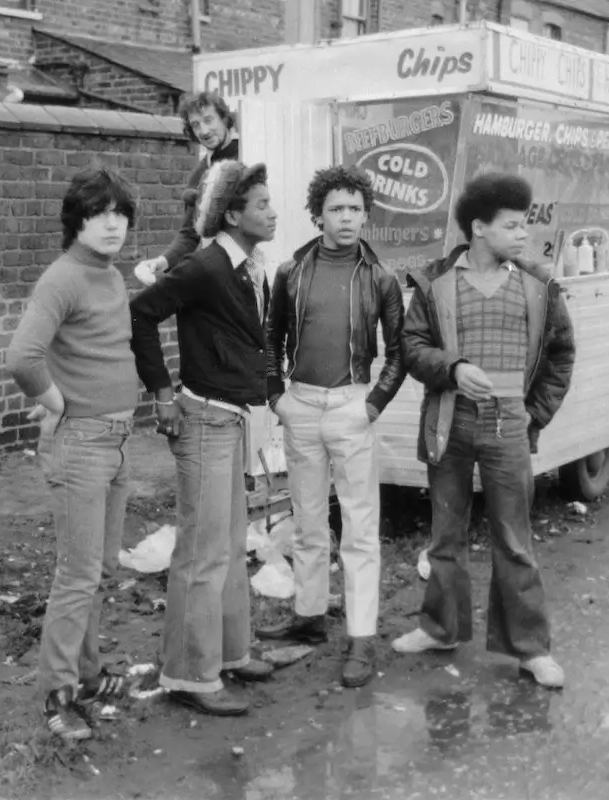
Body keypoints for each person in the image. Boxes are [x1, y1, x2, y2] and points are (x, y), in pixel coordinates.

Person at [395, 172, 574, 689]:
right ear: (479, 228)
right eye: (512, 226)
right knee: (445, 537)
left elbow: (561, 354)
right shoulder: (436, 286)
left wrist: (534, 414)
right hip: (449, 426)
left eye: (525, 226)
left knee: (515, 541)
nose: (523, 236)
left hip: (510, 429)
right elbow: (412, 348)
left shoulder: (539, 287)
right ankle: (440, 628)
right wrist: (451, 368)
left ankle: (532, 650)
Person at [130, 160, 278, 716]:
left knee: (231, 549)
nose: (273, 212)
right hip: (205, 422)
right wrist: (162, 393)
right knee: (201, 553)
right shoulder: (207, 265)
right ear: (232, 214)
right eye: (261, 204)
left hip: (235, 419)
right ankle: (189, 674)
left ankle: (231, 654)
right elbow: (140, 315)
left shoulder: (247, 265)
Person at [258, 165, 406, 688]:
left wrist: (371, 406)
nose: (347, 218)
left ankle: (361, 638)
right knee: (308, 520)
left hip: (350, 407)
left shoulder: (381, 277)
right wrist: (277, 397)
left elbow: (400, 352)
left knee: (361, 530)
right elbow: (271, 337)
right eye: (336, 209)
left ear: (367, 214)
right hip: (300, 406)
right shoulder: (291, 273)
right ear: (317, 215)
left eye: (355, 209)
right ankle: (310, 615)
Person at [7, 167, 140, 741]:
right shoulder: (61, 278)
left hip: (117, 442)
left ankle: (87, 675)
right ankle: (56, 695)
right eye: (99, 213)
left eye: (120, 213)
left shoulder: (107, 275)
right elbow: (22, 357)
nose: (112, 224)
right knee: (78, 574)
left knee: (102, 570)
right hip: (81, 445)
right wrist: (55, 401)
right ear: (76, 220)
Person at [133, 91, 240, 286]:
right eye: (196, 125)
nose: (204, 131)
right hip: (223, 278)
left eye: (209, 120)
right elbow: (190, 234)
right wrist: (161, 262)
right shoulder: (200, 173)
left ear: (224, 119)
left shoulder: (250, 152)